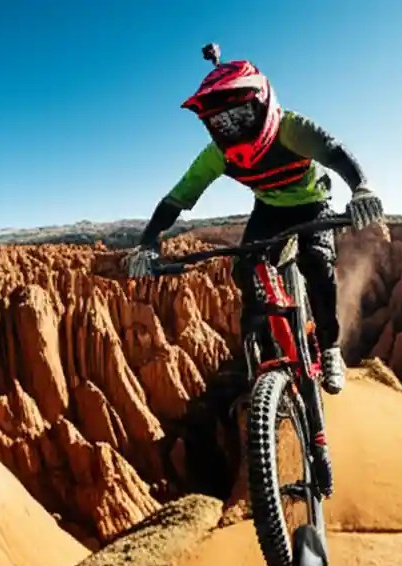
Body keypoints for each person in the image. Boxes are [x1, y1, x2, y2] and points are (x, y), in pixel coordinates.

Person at [126, 45, 384, 395]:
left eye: (239, 115)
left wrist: (361, 189)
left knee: (317, 261)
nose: (230, 127)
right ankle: (261, 347)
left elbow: (336, 154)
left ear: (262, 103)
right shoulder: (217, 155)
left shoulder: (291, 129)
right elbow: (178, 198)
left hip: (312, 203)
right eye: (220, 121)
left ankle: (330, 348)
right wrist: (148, 241)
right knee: (245, 268)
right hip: (271, 209)